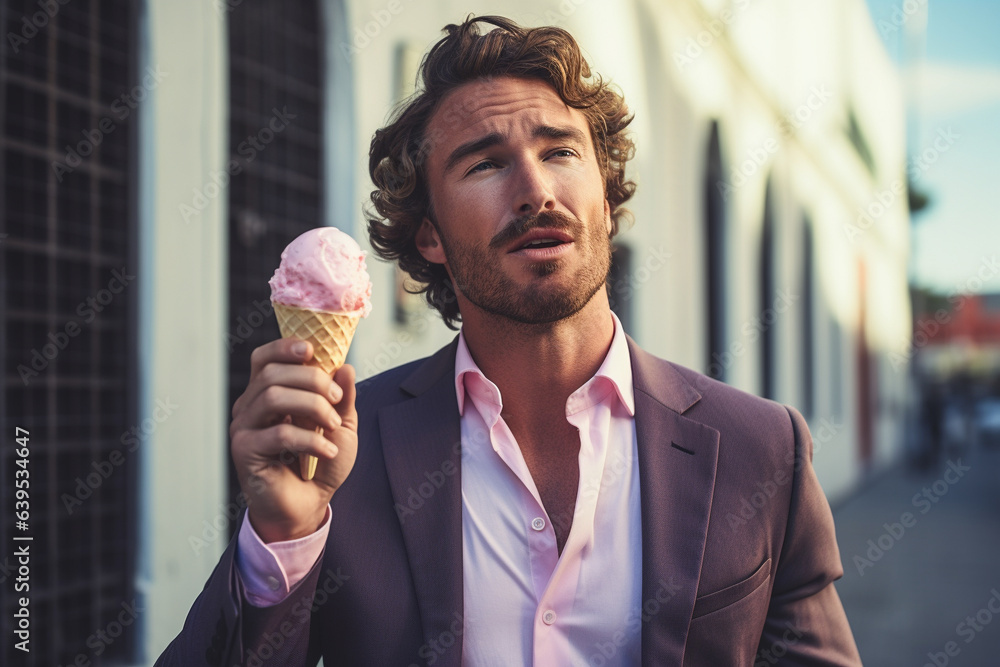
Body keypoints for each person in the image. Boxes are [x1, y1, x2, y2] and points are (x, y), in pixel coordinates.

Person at [157, 15, 862, 666]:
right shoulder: (341, 453)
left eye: (560, 151)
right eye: (485, 164)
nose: (534, 189)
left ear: (607, 200)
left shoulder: (761, 449)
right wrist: (281, 538)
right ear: (428, 234)